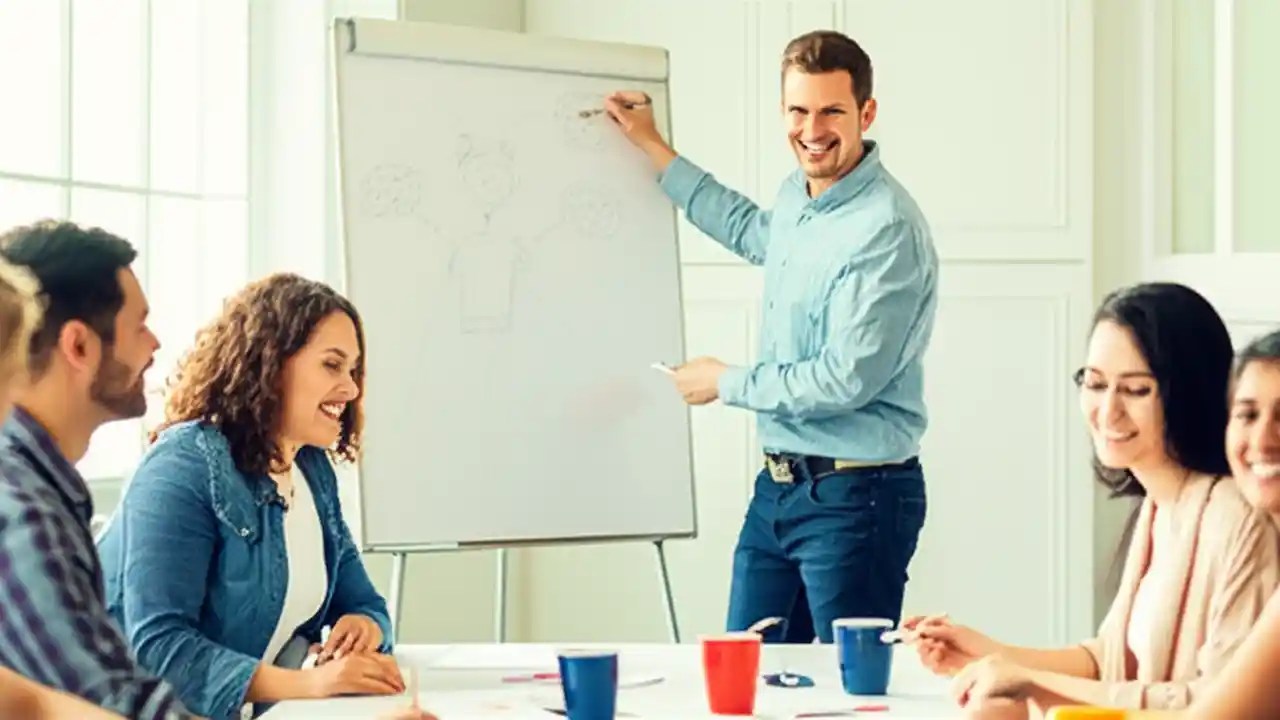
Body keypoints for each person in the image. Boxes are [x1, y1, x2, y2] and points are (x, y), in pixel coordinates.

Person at [606, 29, 938, 642]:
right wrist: (653, 147)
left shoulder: (886, 229)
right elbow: (746, 227)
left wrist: (724, 383)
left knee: (849, 691)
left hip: (857, 496)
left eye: (831, 111)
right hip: (779, 490)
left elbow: (846, 378)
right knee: (746, 677)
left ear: (865, 112)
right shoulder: (800, 198)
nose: (812, 129)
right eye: (798, 110)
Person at [911, 284, 1280, 717]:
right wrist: (991, 655)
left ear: (1186, 390)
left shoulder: (1234, 518)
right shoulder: (1157, 506)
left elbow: (1216, 702)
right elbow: (1112, 658)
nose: (1107, 412)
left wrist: (1029, 681)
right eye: (1095, 383)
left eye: (1136, 390)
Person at [96, 273, 408, 719]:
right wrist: (309, 684)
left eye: (354, 370)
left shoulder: (311, 469)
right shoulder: (183, 465)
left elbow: (362, 602)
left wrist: (362, 628)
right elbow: (160, 648)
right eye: (332, 365)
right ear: (272, 363)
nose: (352, 389)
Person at [0, 220, 195, 718]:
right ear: (79, 346)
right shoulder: (24, 512)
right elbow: (116, 705)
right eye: (139, 324)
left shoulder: (43, 488)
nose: (154, 342)